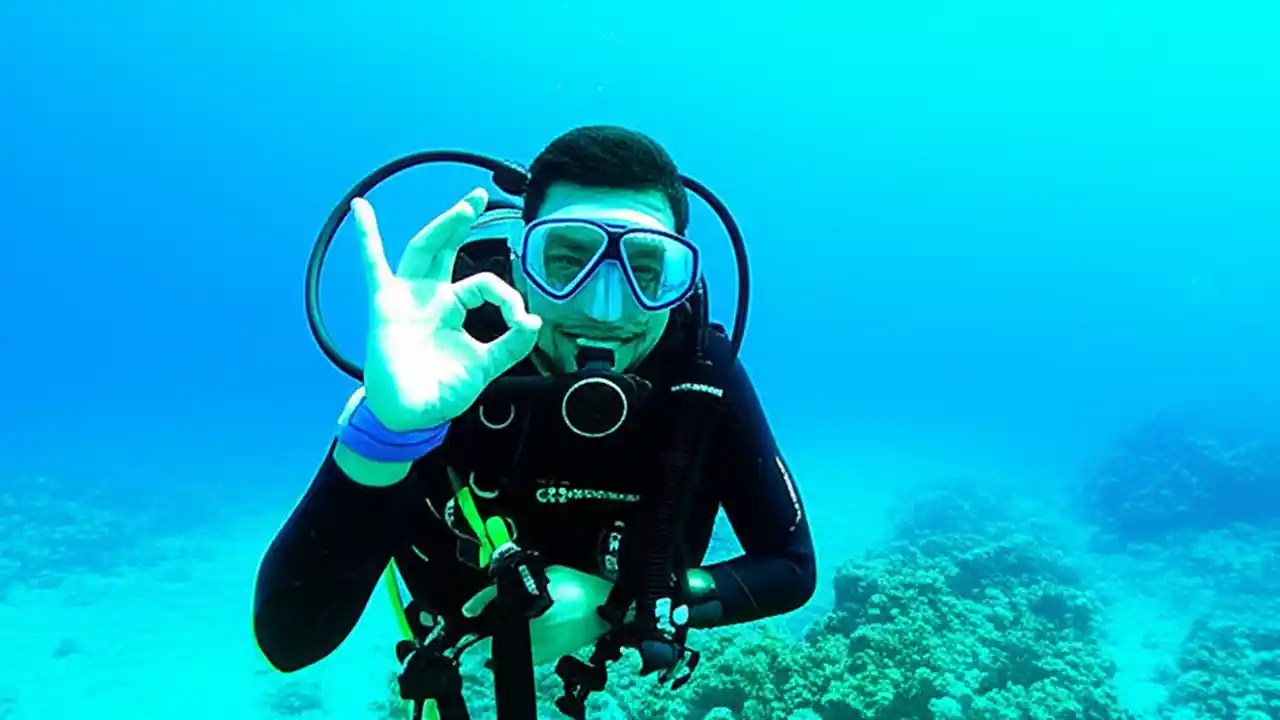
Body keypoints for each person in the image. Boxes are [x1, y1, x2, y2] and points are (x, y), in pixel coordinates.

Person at [252, 125, 815, 711]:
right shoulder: (450, 354)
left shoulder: (697, 372)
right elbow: (289, 641)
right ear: (521, 264)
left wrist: (613, 606)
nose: (605, 310)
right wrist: (388, 431)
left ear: (680, 281)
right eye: (567, 260)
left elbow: (792, 567)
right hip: (454, 625)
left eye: (647, 269)